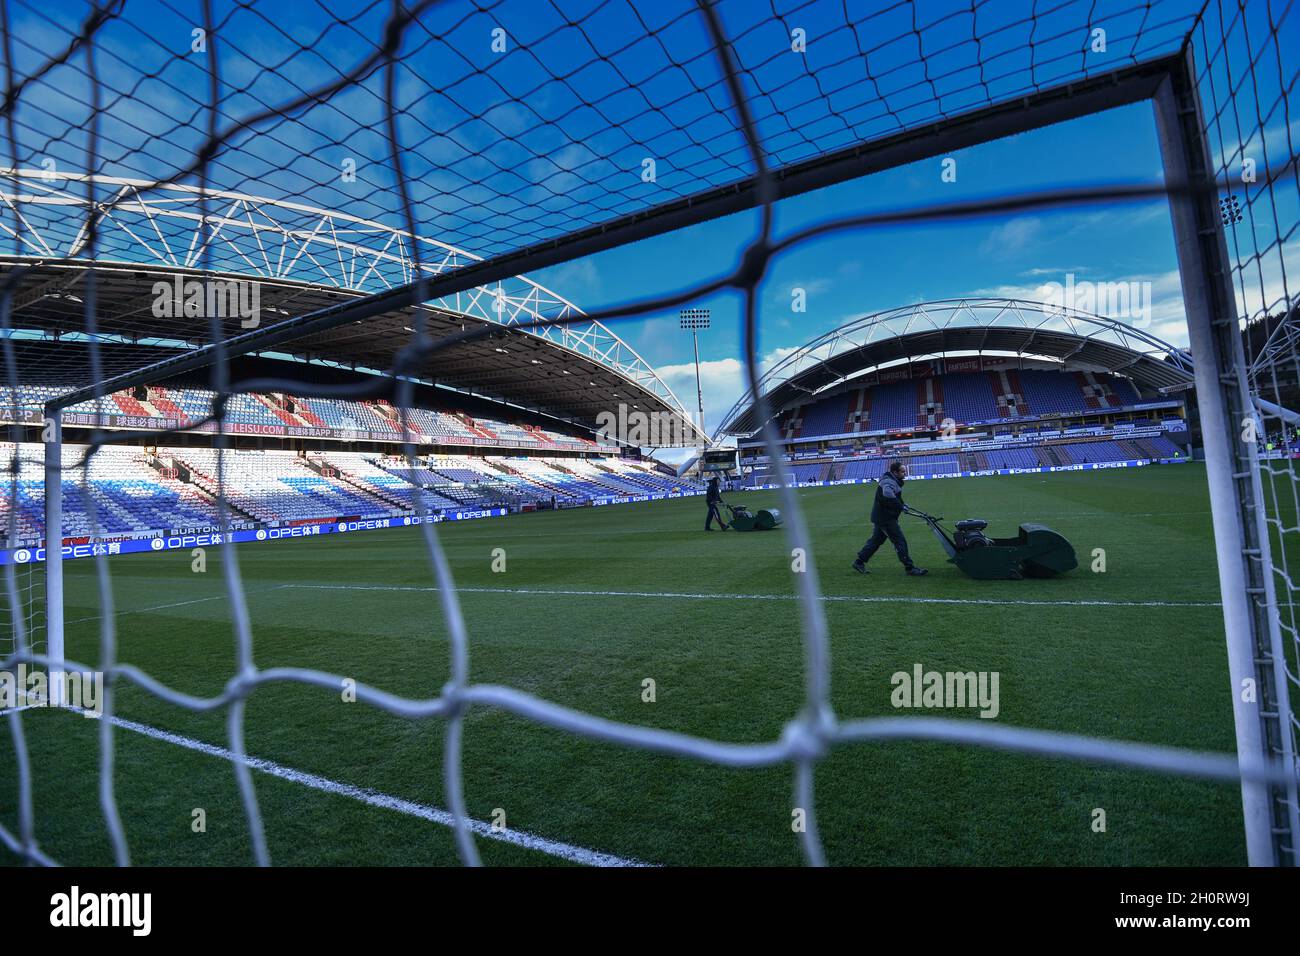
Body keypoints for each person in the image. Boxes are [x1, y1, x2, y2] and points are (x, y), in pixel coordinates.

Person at [852, 459, 927, 575]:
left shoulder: (892, 480)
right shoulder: (888, 482)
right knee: (900, 541)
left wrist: (902, 504)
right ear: (895, 472)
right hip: (885, 518)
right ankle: (910, 568)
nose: (905, 474)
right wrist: (900, 507)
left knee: (875, 541)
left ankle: (859, 562)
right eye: (902, 472)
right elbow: (888, 495)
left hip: (882, 517)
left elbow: (895, 497)